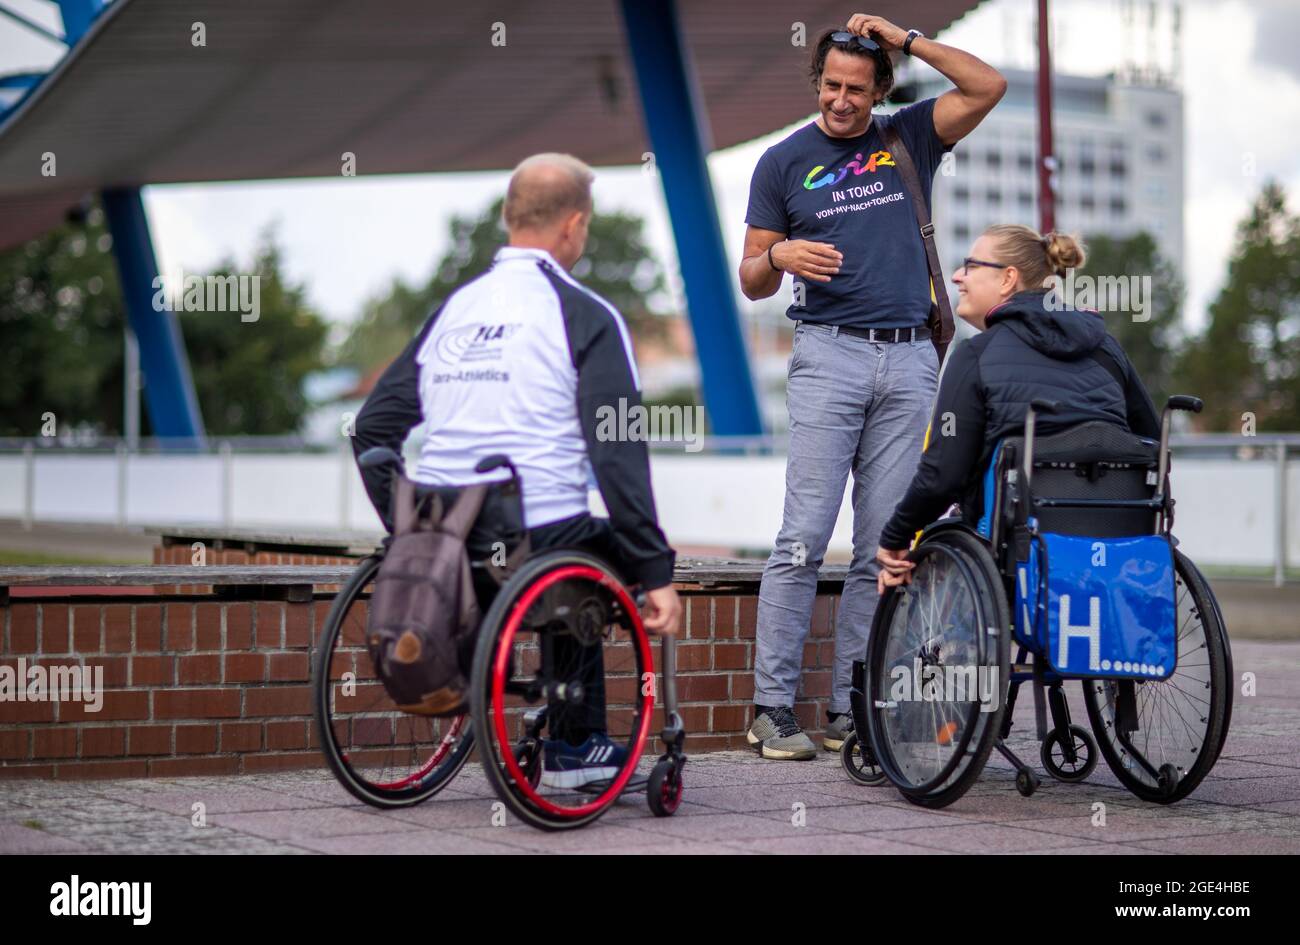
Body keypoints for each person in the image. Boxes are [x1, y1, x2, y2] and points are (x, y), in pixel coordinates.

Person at [352, 152, 682, 787]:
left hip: (445, 531)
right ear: (573, 225)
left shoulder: (456, 309)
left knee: (568, 543)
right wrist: (654, 570)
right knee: (598, 553)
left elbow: (372, 429)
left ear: (510, 217)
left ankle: (483, 670)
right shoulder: (585, 314)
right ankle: (576, 744)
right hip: (535, 535)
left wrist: (408, 532)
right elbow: (616, 453)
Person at [739, 13, 1006, 759]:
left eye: (857, 88)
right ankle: (771, 708)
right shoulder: (783, 163)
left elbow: (989, 84)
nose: (841, 101)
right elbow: (751, 278)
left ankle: (852, 705)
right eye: (830, 85)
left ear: (879, 87)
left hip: (913, 357)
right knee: (801, 538)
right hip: (828, 356)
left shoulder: (910, 135)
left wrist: (907, 37)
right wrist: (782, 253)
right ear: (816, 83)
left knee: (884, 545)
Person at [875, 225, 1162, 591]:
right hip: (1116, 541)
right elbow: (1149, 440)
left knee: (942, 541)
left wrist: (895, 537)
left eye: (970, 266)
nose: (958, 277)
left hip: (1018, 547)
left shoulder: (976, 354)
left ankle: (941, 648)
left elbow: (943, 474)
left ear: (1008, 278)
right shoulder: (1106, 348)